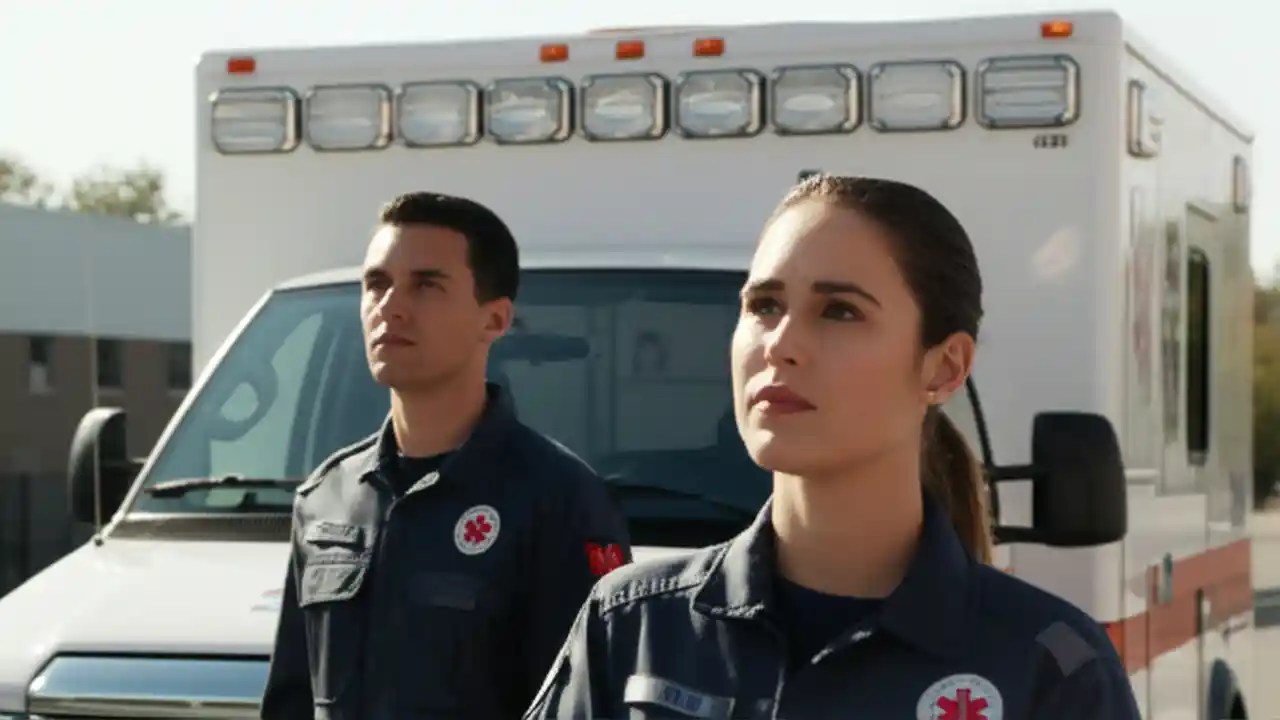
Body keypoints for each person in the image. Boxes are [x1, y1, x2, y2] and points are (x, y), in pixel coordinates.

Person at [524, 175, 1141, 719]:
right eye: (764, 305)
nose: (781, 344)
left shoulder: (1048, 666)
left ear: (943, 368)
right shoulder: (635, 626)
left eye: (840, 311)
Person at [260, 191, 632, 720]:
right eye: (376, 284)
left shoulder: (560, 500)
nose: (390, 306)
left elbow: (587, 705)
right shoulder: (327, 498)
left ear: (495, 320)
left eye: (427, 285)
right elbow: (291, 702)